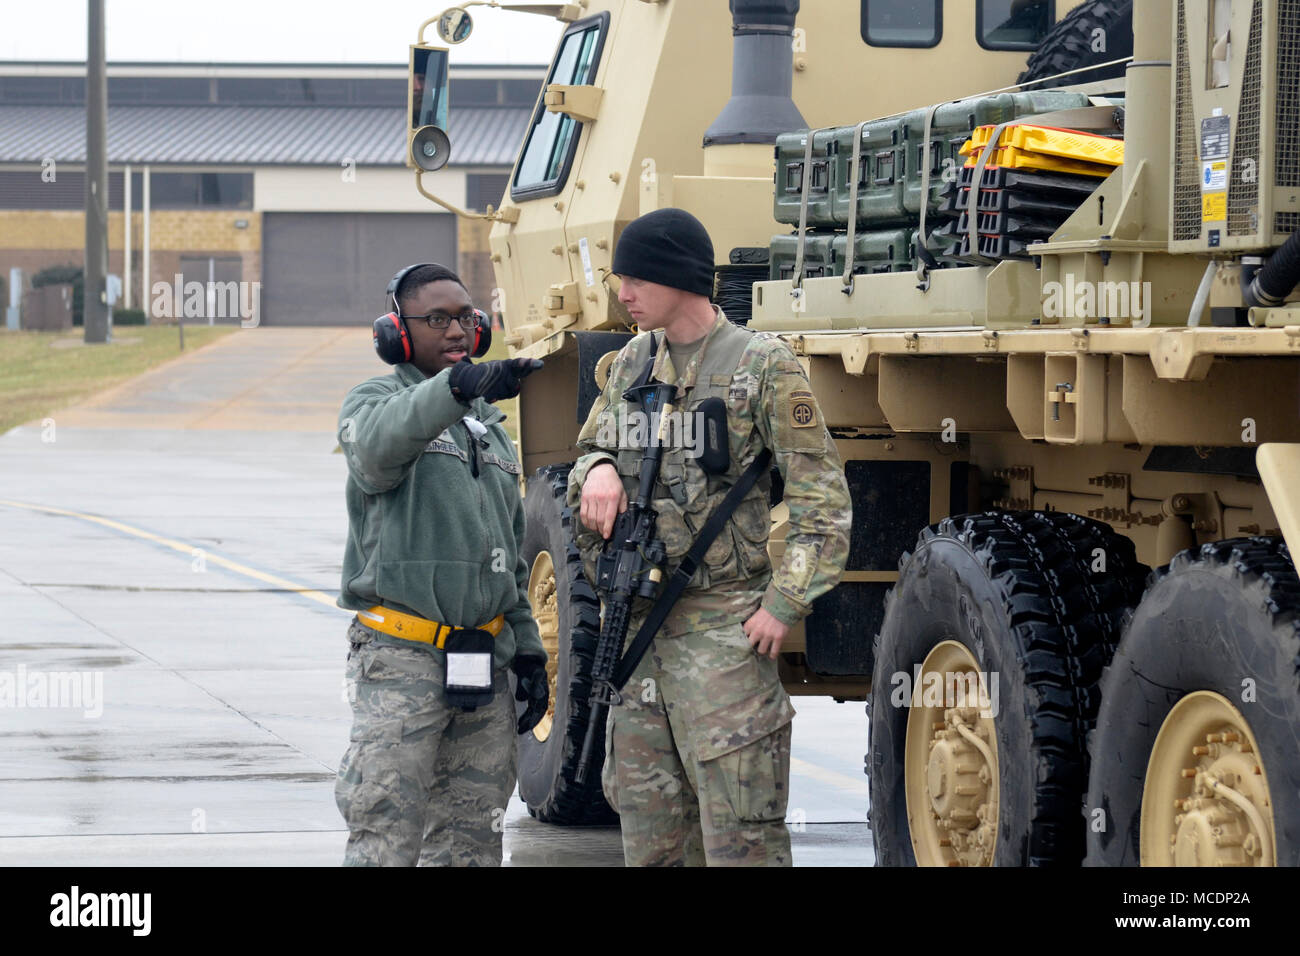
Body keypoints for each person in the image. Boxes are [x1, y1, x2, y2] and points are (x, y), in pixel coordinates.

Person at [569, 209, 852, 866]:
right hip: (637, 640)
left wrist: (786, 601)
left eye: (636, 278)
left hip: (723, 631)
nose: (623, 294)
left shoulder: (763, 367)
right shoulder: (633, 362)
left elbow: (823, 501)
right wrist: (600, 468)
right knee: (650, 836)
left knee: (740, 839)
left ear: (678, 276)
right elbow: (586, 452)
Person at [334, 262, 548, 866]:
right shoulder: (374, 402)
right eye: (436, 320)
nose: (455, 331)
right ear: (397, 333)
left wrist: (527, 649)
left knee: (471, 841)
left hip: (483, 665)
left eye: (465, 318)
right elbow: (375, 454)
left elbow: (506, 553)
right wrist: (456, 390)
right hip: (402, 662)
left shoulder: (491, 430)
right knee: (385, 832)